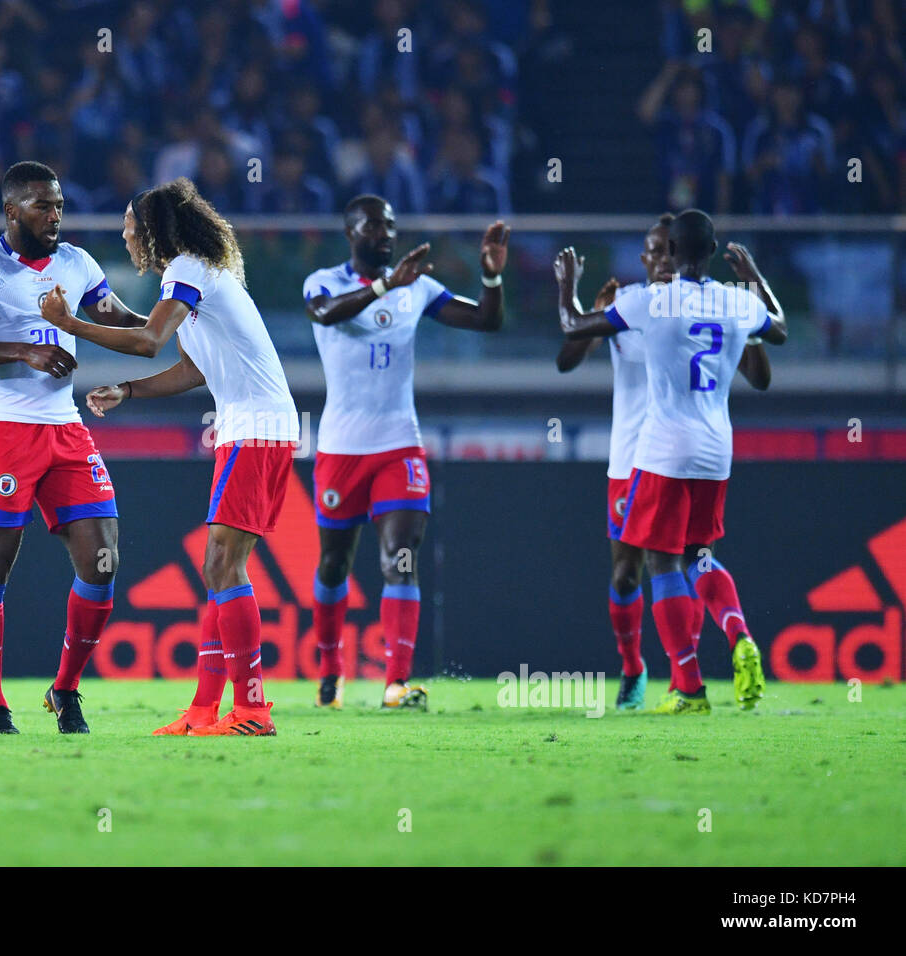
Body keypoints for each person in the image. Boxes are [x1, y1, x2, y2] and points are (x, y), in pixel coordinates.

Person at [38, 177, 298, 737]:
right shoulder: (199, 274)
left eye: (131, 231)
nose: (128, 241)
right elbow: (193, 367)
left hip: (257, 427)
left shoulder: (186, 269)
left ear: (154, 232)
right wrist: (128, 391)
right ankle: (204, 712)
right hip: (248, 427)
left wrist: (68, 325)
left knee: (223, 565)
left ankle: (252, 710)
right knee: (219, 568)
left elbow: (151, 339)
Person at [555, 209, 786, 714]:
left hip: (660, 453)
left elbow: (569, 323)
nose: (660, 258)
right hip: (673, 454)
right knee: (648, 569)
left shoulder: (645, 304)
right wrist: (754, 284)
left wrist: (567, 287)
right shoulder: (722, 301)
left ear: (676, 253)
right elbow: (568, 353)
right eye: (652, 251)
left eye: (667, 249)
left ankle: (686, 682)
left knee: (664, 562)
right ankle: (666, 656)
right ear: (644, 257)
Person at [0, 161, 147, 735]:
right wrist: (25, 351)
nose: (55, 215)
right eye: (43, 205)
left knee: (102, 563)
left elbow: (120, 321)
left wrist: (178, 324)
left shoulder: (77, 264)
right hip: (3, 428)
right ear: (12, 210)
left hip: (65, 428)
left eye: (59, 204)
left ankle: (65, 689)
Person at [304, 195, 508, 709]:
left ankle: (396, 681)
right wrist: (383, 287)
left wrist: (490, 277)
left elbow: (485, 320)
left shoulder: (416, 287)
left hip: (400, 444)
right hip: (342, 448)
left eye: (390, 226)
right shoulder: (324, 280)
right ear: (351, 232)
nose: (386, 235)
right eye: (374, 226)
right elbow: (325, 314)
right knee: (333, 564)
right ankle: (331, 668)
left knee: (401, 558)